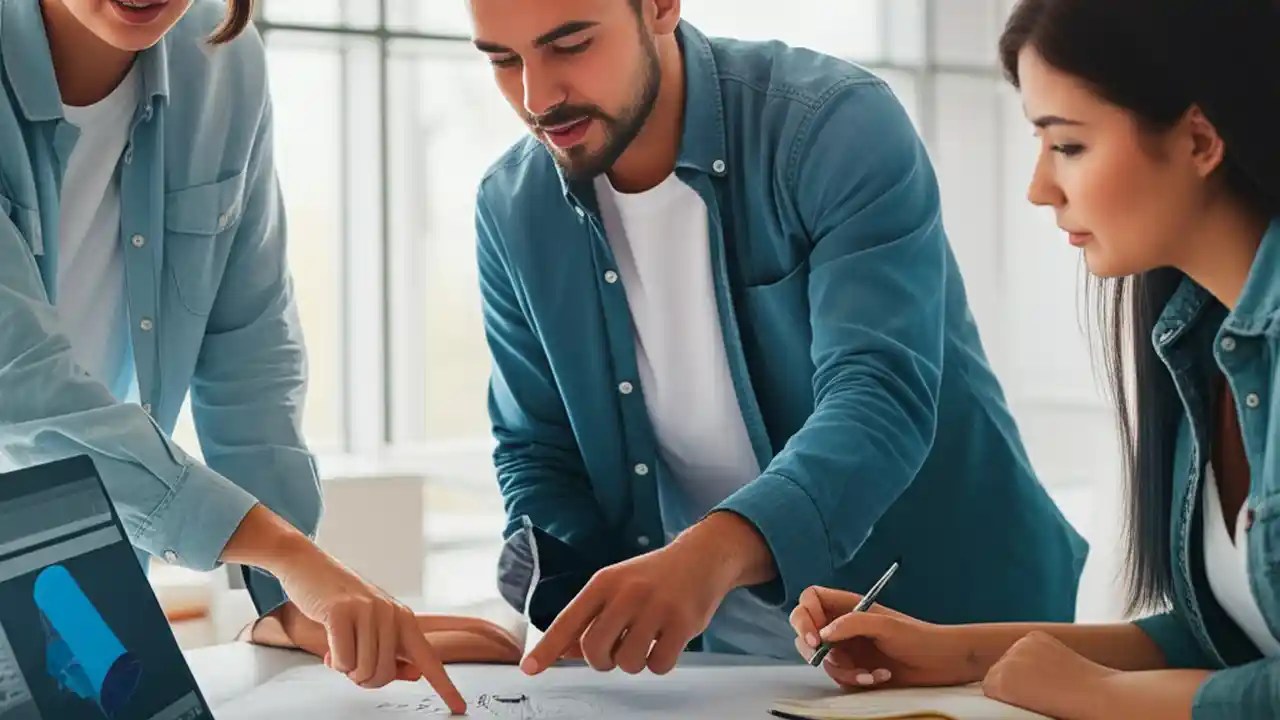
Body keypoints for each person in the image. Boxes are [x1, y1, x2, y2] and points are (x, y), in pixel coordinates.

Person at [468, 0, 1087, 676]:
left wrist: (708, 557)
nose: (536, 96)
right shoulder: (511, 208)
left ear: (659, 8)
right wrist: (563, 611)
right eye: (503, 59)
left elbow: (877, 397)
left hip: (951, 628)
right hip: (711, 669)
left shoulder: (832, 126)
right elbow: (536, 450)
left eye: (571, 45)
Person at [0, 1, 517, 712]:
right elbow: (22, 385)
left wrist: (292, 599)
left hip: (69, 558)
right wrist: (288, 555)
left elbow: (249, 348)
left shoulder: (218, 60)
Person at [790, 1, 1280, 718]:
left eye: (1069, 145)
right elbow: (1231, 641)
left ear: (1201, 141)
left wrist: (1106, 697)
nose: (1038, 188)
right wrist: (953, 653)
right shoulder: (1199, 339)